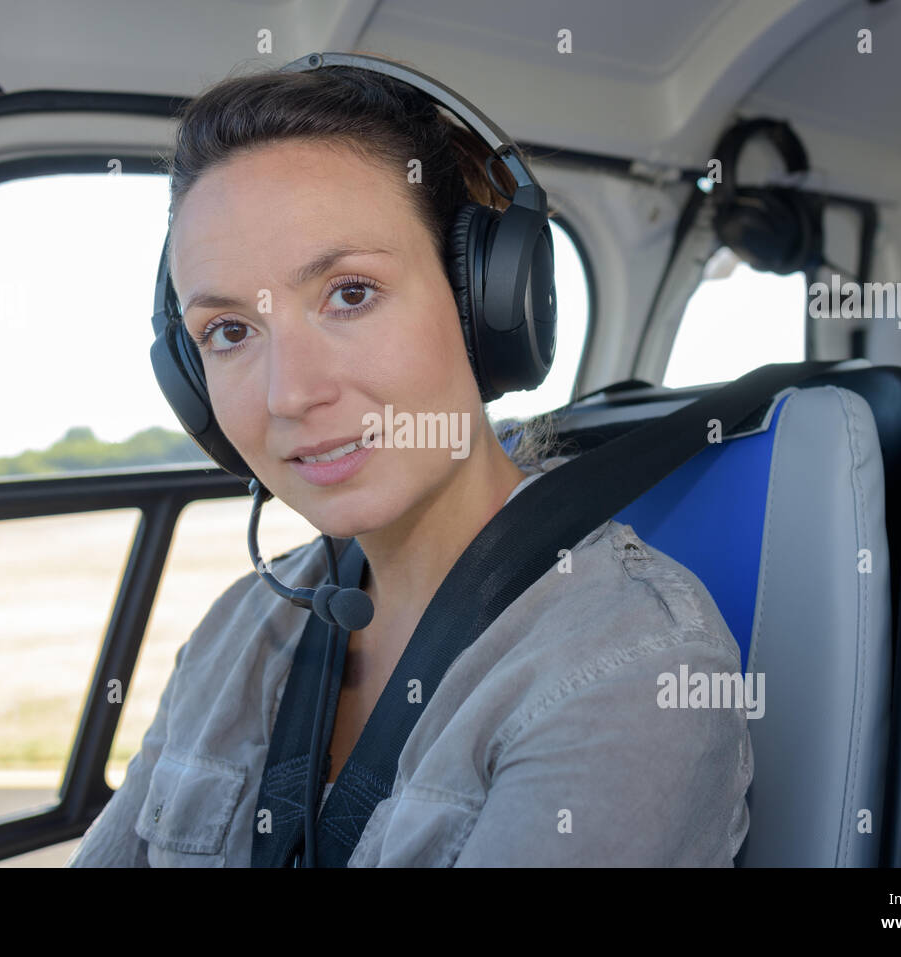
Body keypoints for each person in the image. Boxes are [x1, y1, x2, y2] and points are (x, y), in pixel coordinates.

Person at [67, 56, 752, 867]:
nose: (291, 392)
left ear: (486, 306)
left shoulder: (629, 672)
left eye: (350, 293)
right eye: (230, 331)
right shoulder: (235, 634)